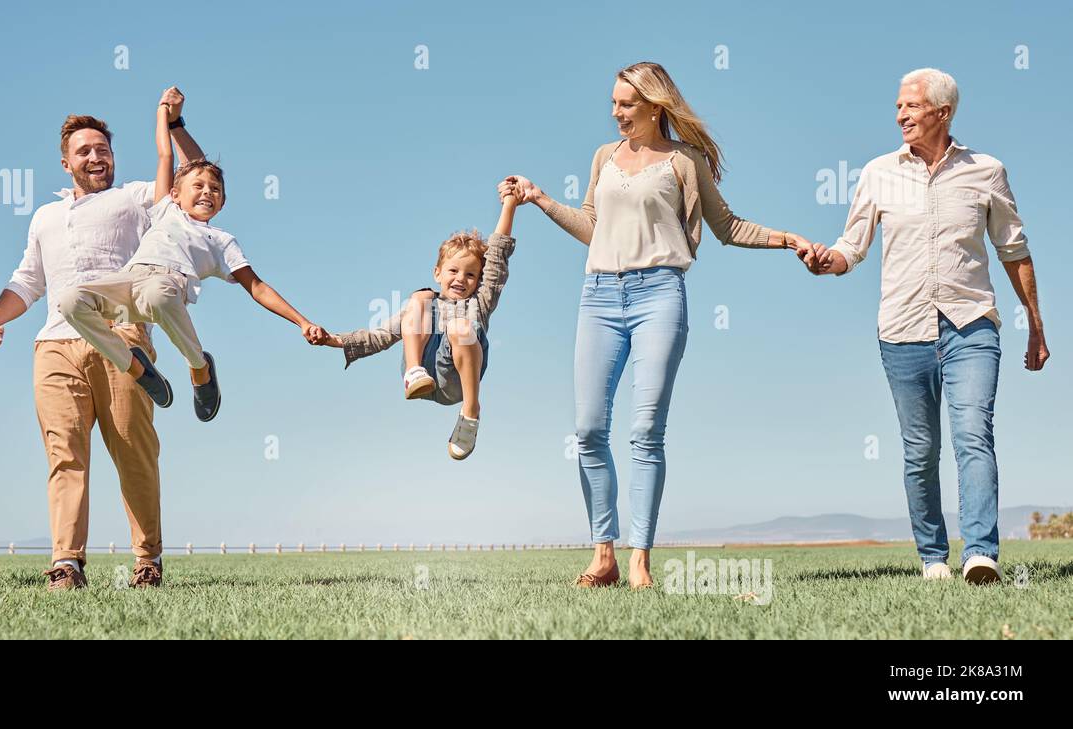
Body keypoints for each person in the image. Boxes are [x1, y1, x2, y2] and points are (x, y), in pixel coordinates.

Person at [502, 62, 813, 589]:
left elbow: (728, 226)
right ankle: (604, 555)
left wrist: (788, 239)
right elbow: (593, 228)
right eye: (614, 104)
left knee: (645, 431)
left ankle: (640, 559)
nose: (617, 113)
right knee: (588, 430)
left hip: (659, 295)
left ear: (655, 105)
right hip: (598, 295)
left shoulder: (685, 162)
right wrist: (540, 199)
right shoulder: (604, 157)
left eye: (627, 103)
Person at [798, 68, 1049, 585]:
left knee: (973, 435)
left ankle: (981, 555)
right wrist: (828, 262)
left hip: (971, 324)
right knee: (920, 449)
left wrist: (1036, 327)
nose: (900, 116)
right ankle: (934, 558)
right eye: (898, 107)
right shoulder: (877, 173)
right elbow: (853, 246)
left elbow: (1014, 250)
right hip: (902, 329)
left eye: (910, 107)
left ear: (943, 112)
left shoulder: (987, 171)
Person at [0, 87, 205, 590]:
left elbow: (197, 174)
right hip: (54, 346)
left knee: (133, 451)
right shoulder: (44, 217)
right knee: (65, 456)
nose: (96, 156)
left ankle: (147, 560)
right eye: (85, 150)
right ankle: (66, 563)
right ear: (65, 163)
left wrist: (176, 124)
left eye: (104, 149)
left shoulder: (138, 198)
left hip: (122, 337)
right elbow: (28, 281)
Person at [57, 99, 327, 422]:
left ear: (222, 203)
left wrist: (302, 321)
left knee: (159, 292)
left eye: (215, 189)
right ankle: (136, 367)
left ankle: (200, 369)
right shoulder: (163, 209)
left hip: (165, 289)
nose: (206, 192)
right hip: (130, 282)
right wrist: (162, 112)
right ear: (175, 193)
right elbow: (165, 154)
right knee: (71, 301)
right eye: (197, 185)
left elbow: (256, 287)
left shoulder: (221, 241)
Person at [314, 197, 517, 460]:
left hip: (457, 379)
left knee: (460, 327)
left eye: (470, 275)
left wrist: (509, 204)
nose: (460, 279)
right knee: (419, 297)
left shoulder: (480, 302)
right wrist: (331, 340)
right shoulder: (424, 305)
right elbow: (381, 336)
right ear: (438, 272)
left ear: (478, 280)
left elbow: (497, 257)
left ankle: (470, 412)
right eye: (453, 270)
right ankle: (414, 371)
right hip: (422, 371)